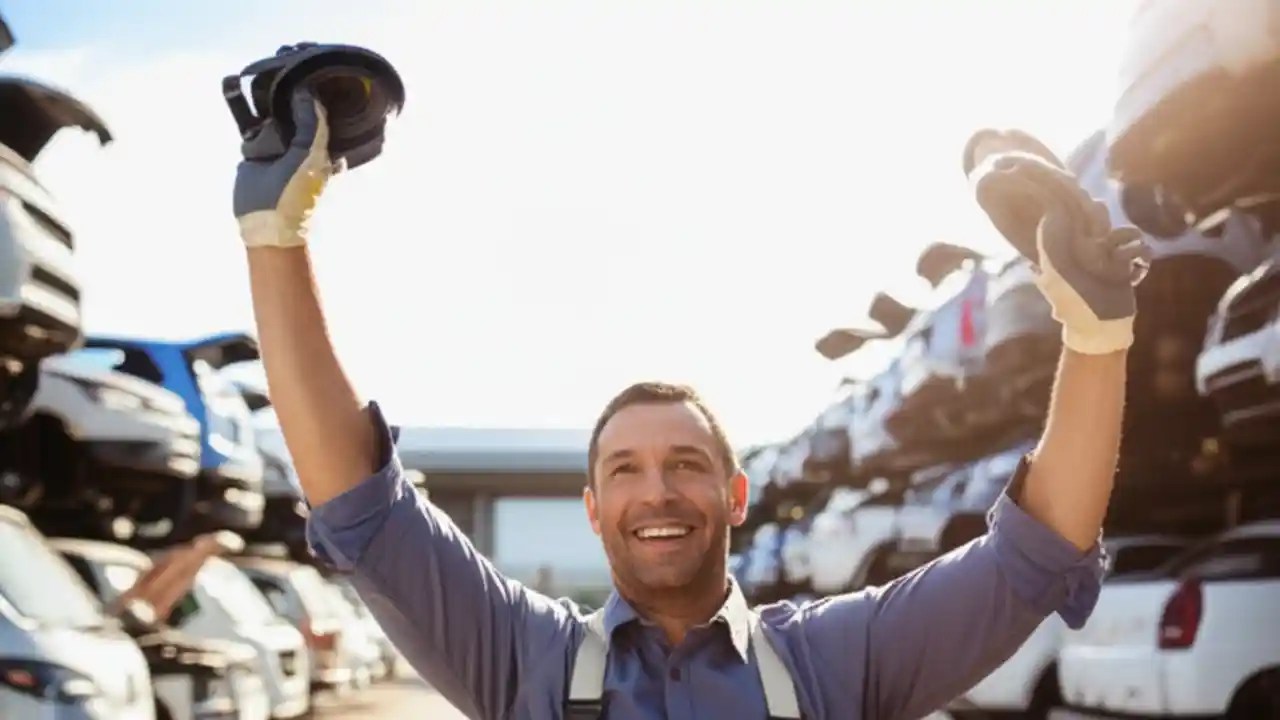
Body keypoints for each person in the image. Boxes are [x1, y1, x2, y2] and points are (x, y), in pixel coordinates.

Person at [232, 91, 1142, 720]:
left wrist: (1095, 340)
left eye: (686, 464)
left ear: (736, 496)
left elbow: (1038, 550)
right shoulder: (521, 658)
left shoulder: (838, 661)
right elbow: (360, 501)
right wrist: (279, 234)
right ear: (593, 512)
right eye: (624, 470)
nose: (656, 491)